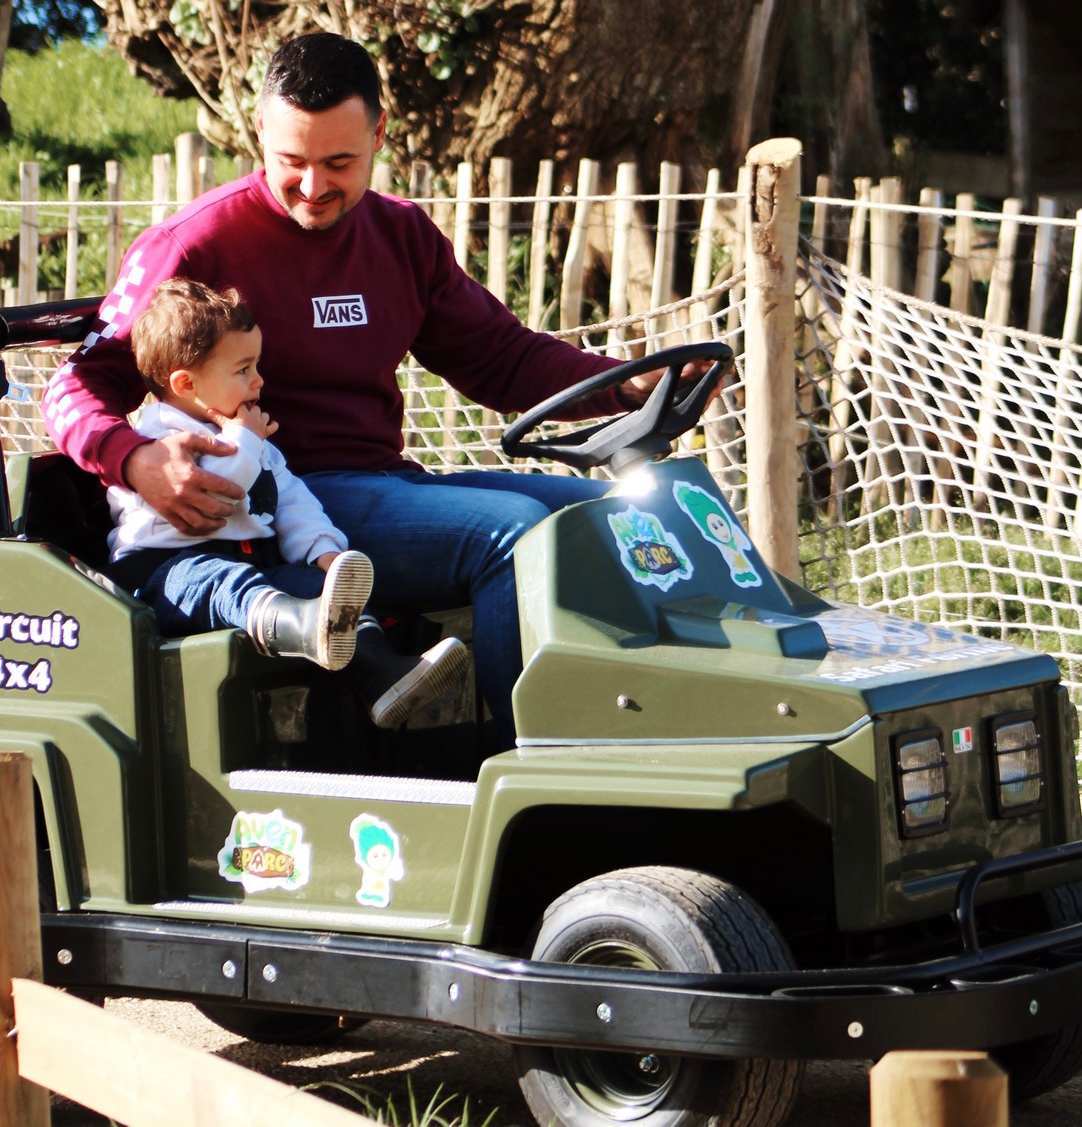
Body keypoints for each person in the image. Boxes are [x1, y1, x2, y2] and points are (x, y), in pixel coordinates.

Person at [44, 32, 701, 748]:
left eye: (339, 163)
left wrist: (626, 383)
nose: (314, 187)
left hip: (387, 484)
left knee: (614, 513)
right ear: (259, 130)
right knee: (513, 534)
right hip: (291, 503)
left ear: (380, 135)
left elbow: (502, 358)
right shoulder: (194, 245)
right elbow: (74, 388)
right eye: (292, 162)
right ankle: (537, 769)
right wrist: (135, 460)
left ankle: (662, 734)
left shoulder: (403, 237)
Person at [106, 277, 470, 729]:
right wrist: (244, 439)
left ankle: (385, 676)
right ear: (185, 383)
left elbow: (290, 498)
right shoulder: (158, 442)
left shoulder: (251, 436)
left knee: (321, 589)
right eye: (243, 370)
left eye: (256, 365)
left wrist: (322, 549)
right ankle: (299, 624)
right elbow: (219, 489)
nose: (259, 380)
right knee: (221, 581)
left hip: (255, 562)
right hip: (165, 573)